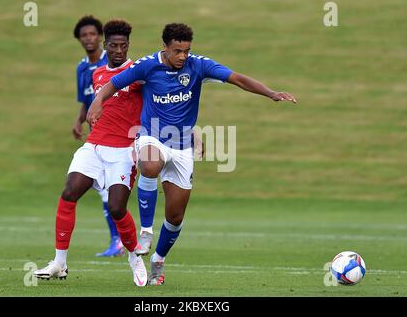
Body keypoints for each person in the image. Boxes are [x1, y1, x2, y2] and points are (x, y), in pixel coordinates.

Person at [87, 22, 297, 285]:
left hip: (183, 147)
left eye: (186, 50)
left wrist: (271, 94)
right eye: (177, 51)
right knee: (149, 165)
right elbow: (113, 84)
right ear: (165, 47)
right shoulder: (147, 65)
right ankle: (146, 232)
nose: (182, 56)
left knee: (175, 217)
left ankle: (158, 259)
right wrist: (96, 103)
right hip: (152, 136)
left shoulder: (198, 65)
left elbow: (237, 78)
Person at [34, 19, 148, 287]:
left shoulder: (138, 72)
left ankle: (135, 258)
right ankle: (59, 262)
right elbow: (91, 103)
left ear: (128, 46)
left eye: (123, 45)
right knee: (69, 192)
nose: (119, 50)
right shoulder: (96, 74)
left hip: (123, 149)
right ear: (105, 46)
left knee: (118, 208)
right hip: (94, 146)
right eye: (114, 45)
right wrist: (83, 116)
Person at [72, 15, 124, 257]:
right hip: (96, 139)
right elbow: (87, 100)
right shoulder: (82, 68)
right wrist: (78, 121)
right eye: (84, 35)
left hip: (117, 139)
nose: (88, 38)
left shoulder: (113, 61)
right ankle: (120, 241)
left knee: (110, 192)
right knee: (103, 190)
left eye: (92, 34)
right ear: (80, 40)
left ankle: (121, 241)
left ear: (100, 38)